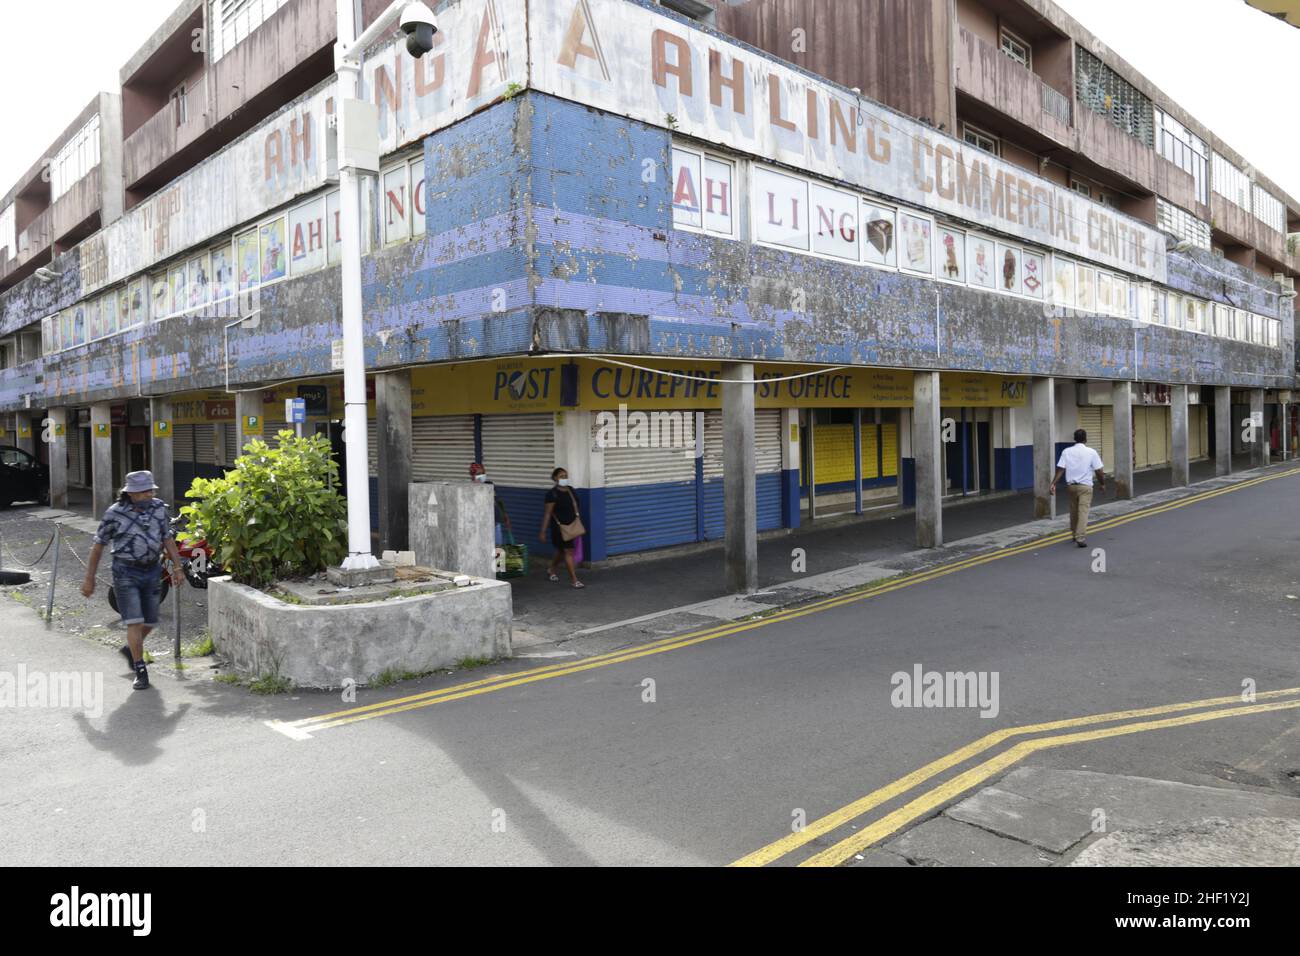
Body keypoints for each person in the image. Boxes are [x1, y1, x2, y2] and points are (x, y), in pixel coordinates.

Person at [80, 471, 185, 690]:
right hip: (125, 572)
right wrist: (89, 579)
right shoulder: (114, 513)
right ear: (132, 494)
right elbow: (98, 546)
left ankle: (130, 648)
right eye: (145, 491)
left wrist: (177, 567)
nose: (150, 494)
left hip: (152, 570)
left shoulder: (158, 509)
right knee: (134, 621)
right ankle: (140, 669)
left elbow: (167, 539)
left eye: (151, 490)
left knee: (151, 619)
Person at [1049, 429, 1106, 548]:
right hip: (1085, 487)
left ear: (1074, 439)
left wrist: (1053, 483)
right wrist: (1102, 484)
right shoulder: (1091, 452)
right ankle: (1080, 537)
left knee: (1073, 511)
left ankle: (1074, 534)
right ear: (1085, 439)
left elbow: (1061, 469)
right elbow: (1099, 471)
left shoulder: (1066, 451)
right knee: (1083, 512)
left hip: (1071, 487)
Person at [540, 467, 584, 588]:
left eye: (566, 476)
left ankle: (551, 570)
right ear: (555, 478)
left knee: (561, 550)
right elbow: (548, 514)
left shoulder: (570, 490)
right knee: (568, 551)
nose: (565, 478)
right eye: (561, 476)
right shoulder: (552, 494)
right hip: (560, 528)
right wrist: (543, 531)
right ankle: (574, 580)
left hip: (572, 526)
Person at [468, 461, 511, 545]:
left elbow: (498, 501)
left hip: (495, 523)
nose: (482, 475)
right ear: (473, 476)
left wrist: (505, 516)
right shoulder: (470, 490)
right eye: (479, 473)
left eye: (483, 472)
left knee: (498, 548)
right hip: (482, 527)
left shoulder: (490, 485)